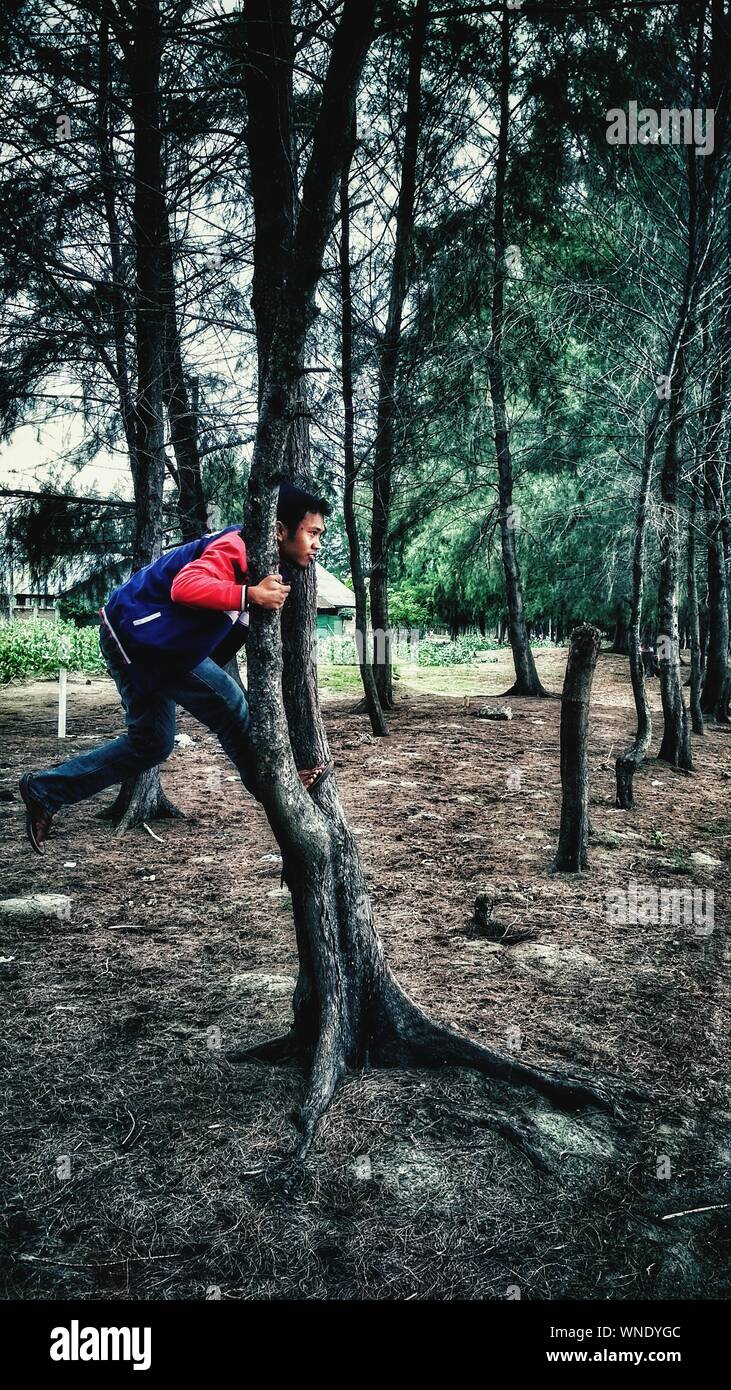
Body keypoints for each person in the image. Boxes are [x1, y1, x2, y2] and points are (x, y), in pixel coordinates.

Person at [19, 483, 333, 853]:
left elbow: (220, 636)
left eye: (319, 536)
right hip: (141, 638)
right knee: (230, 702)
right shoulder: (236, 546)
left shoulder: (268, 567)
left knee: (151, 743)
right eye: (312, 533)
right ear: (280, 530)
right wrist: (250, 595)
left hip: (137, 641)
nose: (317, 544)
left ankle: (45, 790)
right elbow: (185, 587)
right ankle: (276, 787)